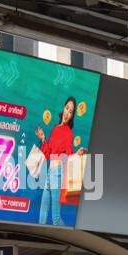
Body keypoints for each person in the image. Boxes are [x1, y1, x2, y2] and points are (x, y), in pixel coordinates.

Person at [34, 96, 87, 227]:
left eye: (71, 112)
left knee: (56, 219)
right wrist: (43, 139)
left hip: (57, 174)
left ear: (72, 116)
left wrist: (76, 154)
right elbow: (47, 154)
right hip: (49, 174)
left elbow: (68, 157)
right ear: (63, 108)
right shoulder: (55, 128)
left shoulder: (68, 133)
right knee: (42, 215)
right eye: (67, 108)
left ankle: (71, 239)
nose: (67, 113)